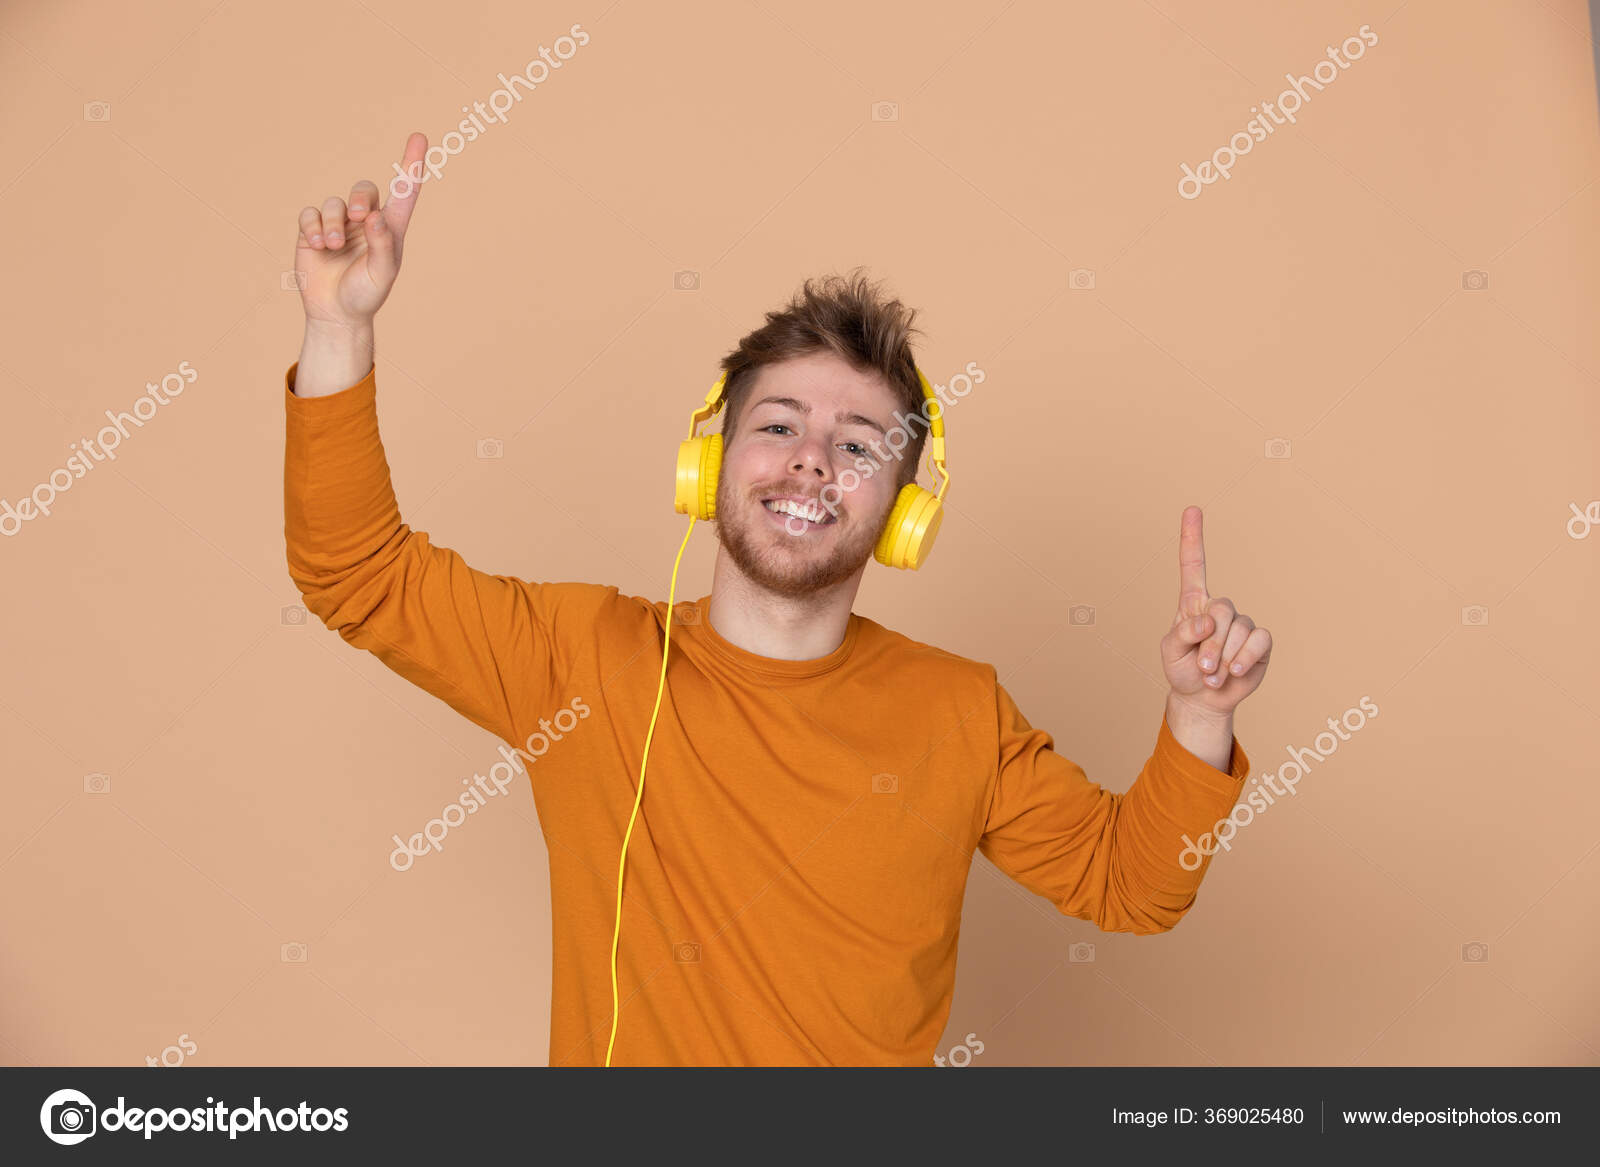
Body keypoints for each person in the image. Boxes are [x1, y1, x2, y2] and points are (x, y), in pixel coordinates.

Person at [283, 133, 1274, 1067]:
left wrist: (1198, 714)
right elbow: (355, 573)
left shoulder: (958, 713)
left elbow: (1131, 887)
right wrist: (338, 327)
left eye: (856, 447)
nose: (811, 459)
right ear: (707, 463)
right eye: (780, 424)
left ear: (902, 512)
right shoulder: (576, 658)